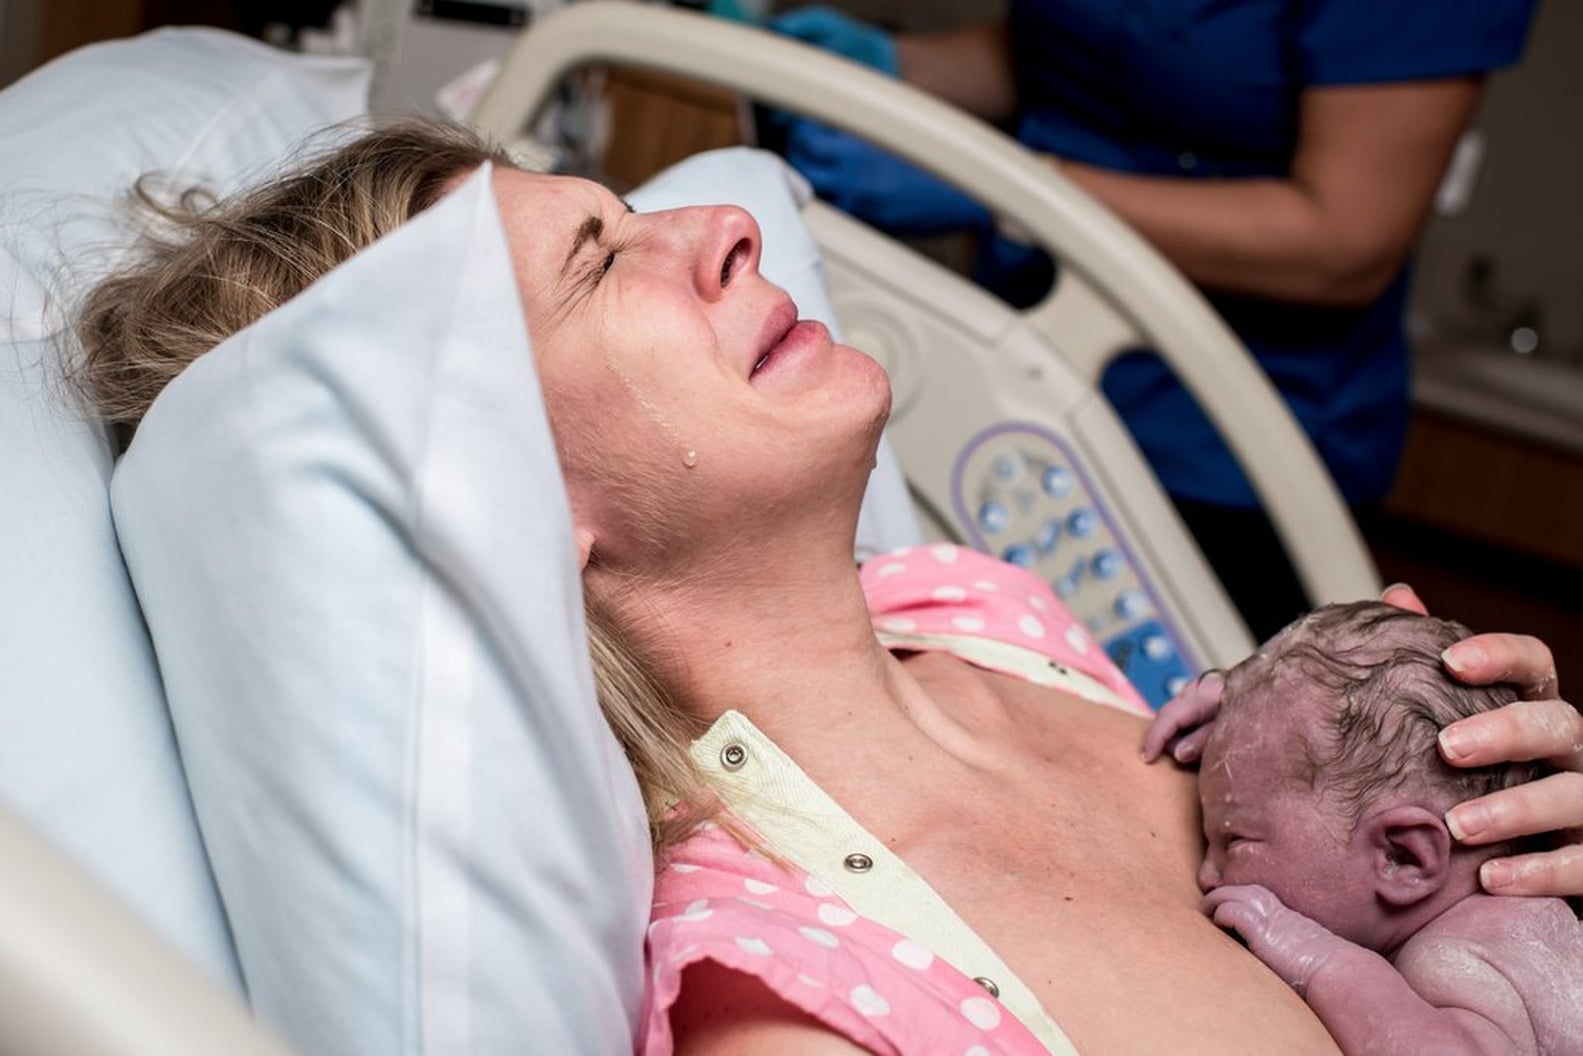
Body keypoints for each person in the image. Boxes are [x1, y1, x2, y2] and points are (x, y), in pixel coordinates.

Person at [70, 119, 1582, 1054]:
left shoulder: (976, 607)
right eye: (599, 265)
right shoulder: (800, 998)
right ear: (500, 498)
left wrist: (1474, 851)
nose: (722, 220)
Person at [768, 1, 1541, 640]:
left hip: (1230, 438)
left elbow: (1344, 240)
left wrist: (1015, 198)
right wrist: (890, 65)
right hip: (1009, 368)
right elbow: (1065, 54)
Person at [1148, 601, 1581, 1054]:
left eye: (1234, 840)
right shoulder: (1524, 923)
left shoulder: (1453, 955)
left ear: (1401, 858)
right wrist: (1247, 711)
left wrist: (1317, 960)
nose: (1207, 875)